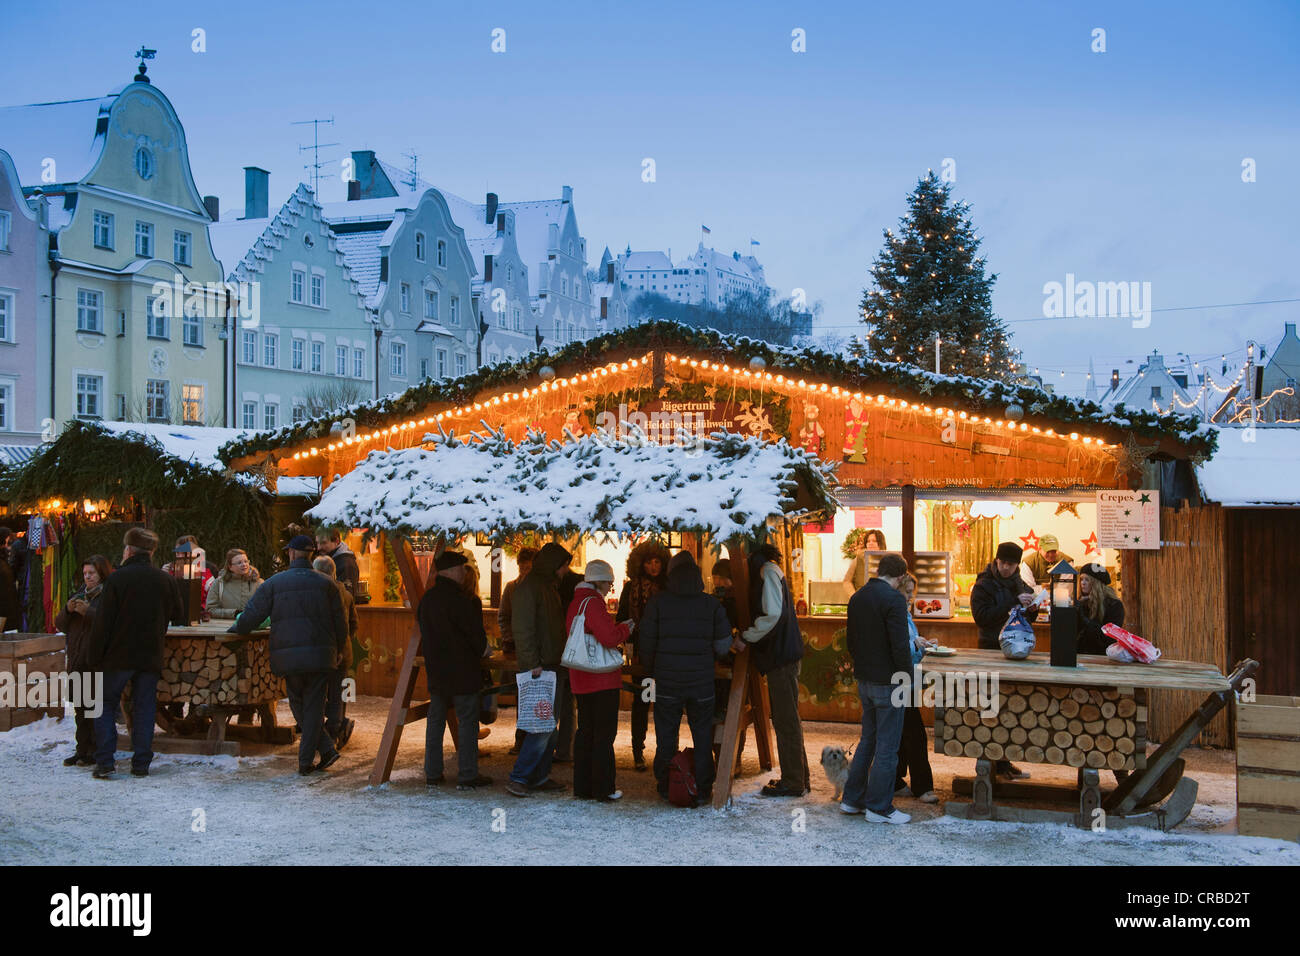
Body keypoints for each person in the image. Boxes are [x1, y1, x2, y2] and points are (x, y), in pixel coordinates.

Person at [230, 535, 346, 776]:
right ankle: (325, 750)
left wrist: (235, 630)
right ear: (311, 554)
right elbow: (340, 623)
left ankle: (306, 761)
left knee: (299, 705)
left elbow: (252, 615)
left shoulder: (273, 583)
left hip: (288, 656)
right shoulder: (327, 584)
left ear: (292, 554)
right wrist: (341, 649)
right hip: (321, 655)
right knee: (312, 706)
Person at [87, 528, 183, 779]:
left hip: (117, 656)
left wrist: (93, 657)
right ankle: (141, 763)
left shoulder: (117, 580)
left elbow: (103, 623)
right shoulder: (165, 580)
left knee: (105, 705)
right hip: (150, 655)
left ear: (128, 550)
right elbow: (180, 616)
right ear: (151, 552)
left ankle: (105, 761)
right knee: (144, 708)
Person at [640, 551, 733, 805]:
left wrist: (651, 670)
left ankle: (666, 785)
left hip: (667, 683)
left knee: (666, 736)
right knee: (703, 736)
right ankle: (702, 788)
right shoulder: (712, 604)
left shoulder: (658, 603)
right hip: (702, 684)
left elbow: (646, 645)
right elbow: (724, 645)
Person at [841, 552, 914, 823]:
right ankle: (879, 807)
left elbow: (851, 641)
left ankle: (852, 799)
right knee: (887, 747)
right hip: (889, 682)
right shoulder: (894, 599)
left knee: (867, 742)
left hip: (865, 680)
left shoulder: (857, 597)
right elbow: (899, 645)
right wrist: (907, 678)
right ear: (901, 576)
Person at [417, 551, 492, 790]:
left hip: (437, 672)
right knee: (468, 723)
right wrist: (484, 650)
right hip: (463, 672)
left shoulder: (427, 600)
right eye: (461, 568)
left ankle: (433, 773)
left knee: (435, 722)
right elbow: (476, 638)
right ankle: (467, 775)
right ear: (450, 570)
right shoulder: (461, 600)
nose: (463, 572)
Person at [741, 544, 810, 797]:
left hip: (781, 656)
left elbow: (772, 615)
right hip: (784, 654)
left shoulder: (766, 571)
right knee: (788, 718)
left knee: (785, 720)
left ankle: (793, 782)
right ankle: (800, 778)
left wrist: (748, 636)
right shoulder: (768, 569)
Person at [506, 541, 571, 797]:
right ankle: (520, 776)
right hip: (540, 668)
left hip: (551, 665)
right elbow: (523, 630)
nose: (566, 570)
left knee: (548, 724)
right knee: (541, 725)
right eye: (564, 566)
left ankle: (539, 776)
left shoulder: (546, 586)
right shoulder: (529, 588)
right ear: (553, 565)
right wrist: (532, 664)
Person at [971, 541, 1039, 779]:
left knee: (1009, 709)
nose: (1007, 568)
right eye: (1004, 563)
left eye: (1012, 564)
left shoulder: (1019, 582)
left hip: (1015, 650)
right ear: (997, 561)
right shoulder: (983, 585)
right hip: (991, 650)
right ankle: (990, 765)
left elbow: (1026, 616)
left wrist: (1032, 609)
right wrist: (1014, 603)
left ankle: (1003, 763)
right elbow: (981, 617)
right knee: (990, 709)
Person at [566, 560, 631, 801]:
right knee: (604, 734)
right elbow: (609, 637)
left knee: (585, 732)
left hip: (581, 676)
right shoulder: (593, 603)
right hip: (601, 679)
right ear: (600, 581)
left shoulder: (576, 602)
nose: (609, 589)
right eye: (609, 584)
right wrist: (625, 629)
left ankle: (583, 788)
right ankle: (603, 788)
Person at [54, 555, 113, 767]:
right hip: (77, 659)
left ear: (101, 574)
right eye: (85, 573)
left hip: (95, 660)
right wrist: (68, 610)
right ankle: (82, 750)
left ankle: (96, 751)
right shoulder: (79, 593)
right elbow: (60, 624)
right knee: (80, 709)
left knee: (94, 709)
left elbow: (109, 625)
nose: (88, 577)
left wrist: (88, 613)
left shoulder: (107, 595)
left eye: (92, 574)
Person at [617, 539, 670, 771]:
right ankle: (638, 751)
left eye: (658, 562)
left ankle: (664, 751)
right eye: (649, 562)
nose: (654, 566)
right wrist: (628, 642)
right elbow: (621, 616)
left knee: (664, 702)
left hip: (664, 650)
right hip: (638, 652)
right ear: (640, 564)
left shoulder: (669, 586)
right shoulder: (630, 588)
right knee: (641, 700)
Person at [892, 572, 938, 804]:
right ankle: (923, 786)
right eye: (907, 592)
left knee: (902, 731)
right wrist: (915, 644)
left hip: (905, 676)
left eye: (912, 593)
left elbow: (909, 643)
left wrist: (922, 645)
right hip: (897, 678)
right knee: (915, 733)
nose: (910, 597)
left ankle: (895, 781)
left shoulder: (904, 613)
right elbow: (899, 645)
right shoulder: (894, 612)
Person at [313, 555, 357, 750]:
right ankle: (334, 730)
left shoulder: (315, 592)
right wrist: (346, 641)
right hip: (341, 652)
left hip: (319, 652)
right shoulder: (346, 594)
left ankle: (321, 731)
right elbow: (353, 624)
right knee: (337, 694)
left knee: (318, 692)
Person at [498, 547, 536, 755]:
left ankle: (531, 740)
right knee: (522, 695)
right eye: (522, 567)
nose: (525, 571)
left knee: (534, 695)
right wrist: (509, 639)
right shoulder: (512, 588)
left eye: (528, 568)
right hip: (517, 650)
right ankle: (521, 739)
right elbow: (503, 616)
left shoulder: (542, 589)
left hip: (536, 650)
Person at [551, 565, 585, 764]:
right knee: (567, 704)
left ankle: (556, 749)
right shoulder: (579, 602)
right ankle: (564, 750)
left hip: (557, 655)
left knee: (555, 705)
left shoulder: (555, 596)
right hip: (574, 656)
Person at [1077, 562, 1124, 655]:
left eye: (1087, 580)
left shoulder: (1114, 605)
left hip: (1104, 655)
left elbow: (1109, 637)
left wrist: (1085, 619)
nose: (1083, 583)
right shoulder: (1081, 602)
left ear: (1096, 583)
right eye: (1081, 579)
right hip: (1081, 654)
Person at [205, 549, 264, 620]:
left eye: (246, 561)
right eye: (239, 563)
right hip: (222, 628)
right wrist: (235, 613)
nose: (244, 565)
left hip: (254, 627)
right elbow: (210, 610)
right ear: (230, 567)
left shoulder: (259, 583)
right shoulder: (219, 583)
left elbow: (267, 607)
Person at [316, 529, 360, 599]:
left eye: (323, 543)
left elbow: (346, 597)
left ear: (336, 541)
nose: (319, 547)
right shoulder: (330, 559)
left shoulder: (347, 565)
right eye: (317, 543)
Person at [842, 528, 887, 598]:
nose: (870, 543)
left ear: (881, 543)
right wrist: (854, 596)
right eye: (868, 541)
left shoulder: (888, 560)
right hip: (862, 599)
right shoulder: (858, 558)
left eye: (874, 541)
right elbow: (847, 581)